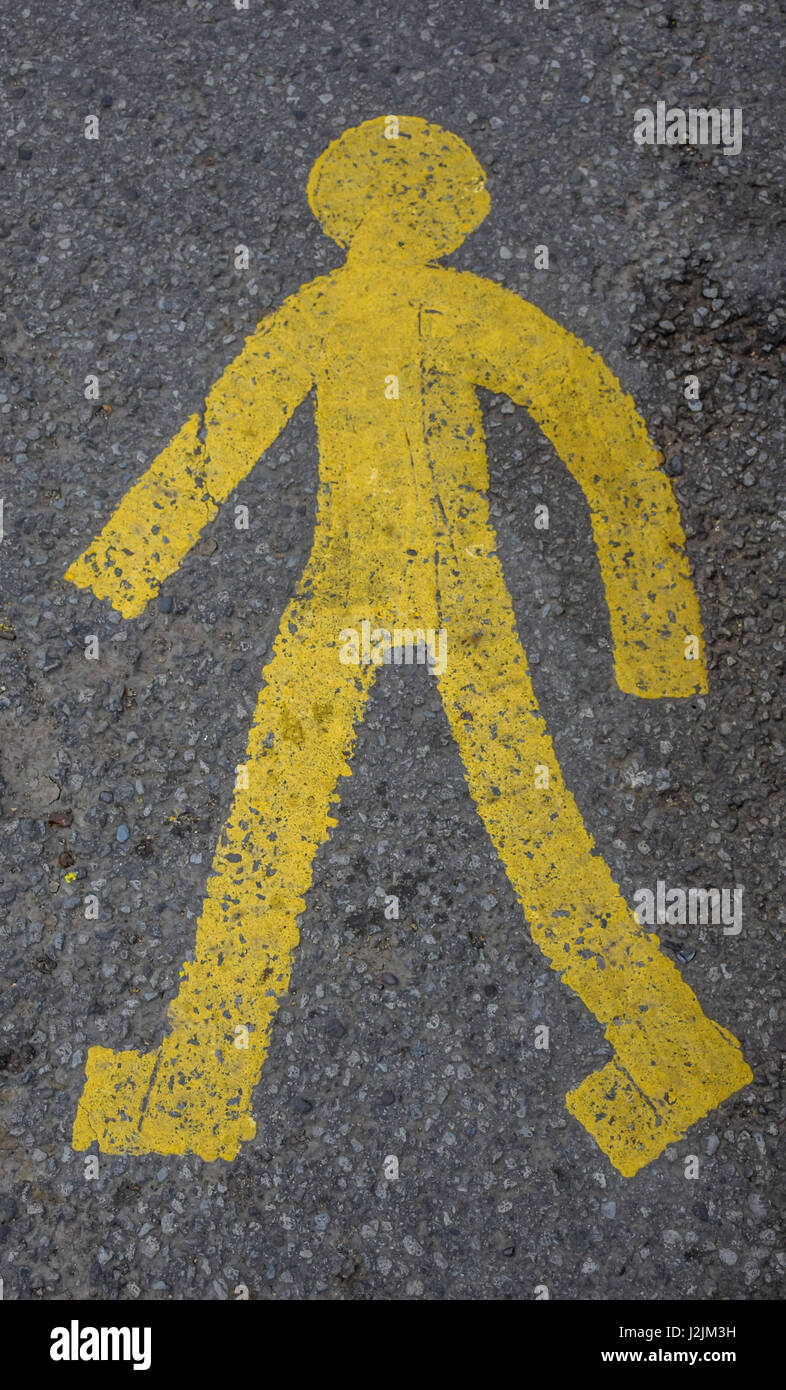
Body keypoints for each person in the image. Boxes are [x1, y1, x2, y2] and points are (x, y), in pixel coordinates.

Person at [67, 116, 750, 1174]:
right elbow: (601, 432)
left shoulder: (333, 306)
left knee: (288, 813)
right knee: (522, 827)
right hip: (438, 592)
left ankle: (200, 1080)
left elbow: (221, 435)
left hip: (356, 588)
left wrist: (124, 568)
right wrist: (656, 641)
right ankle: (668, 1048)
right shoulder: (464, 305)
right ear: (452, 216)